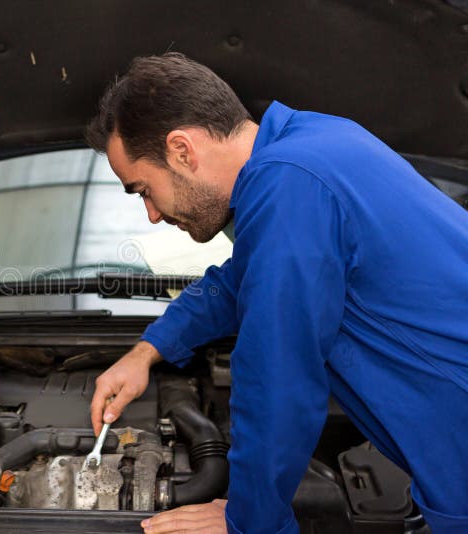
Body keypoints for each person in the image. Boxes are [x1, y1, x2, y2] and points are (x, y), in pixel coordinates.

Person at [86, 53, 468, 534]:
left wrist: (247, 520)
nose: (152, 214)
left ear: (182, 150)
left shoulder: (291, 185)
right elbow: (240, 279)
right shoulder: (311, 145)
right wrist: (147, 351)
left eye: (143, 189)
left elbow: (277, 376)